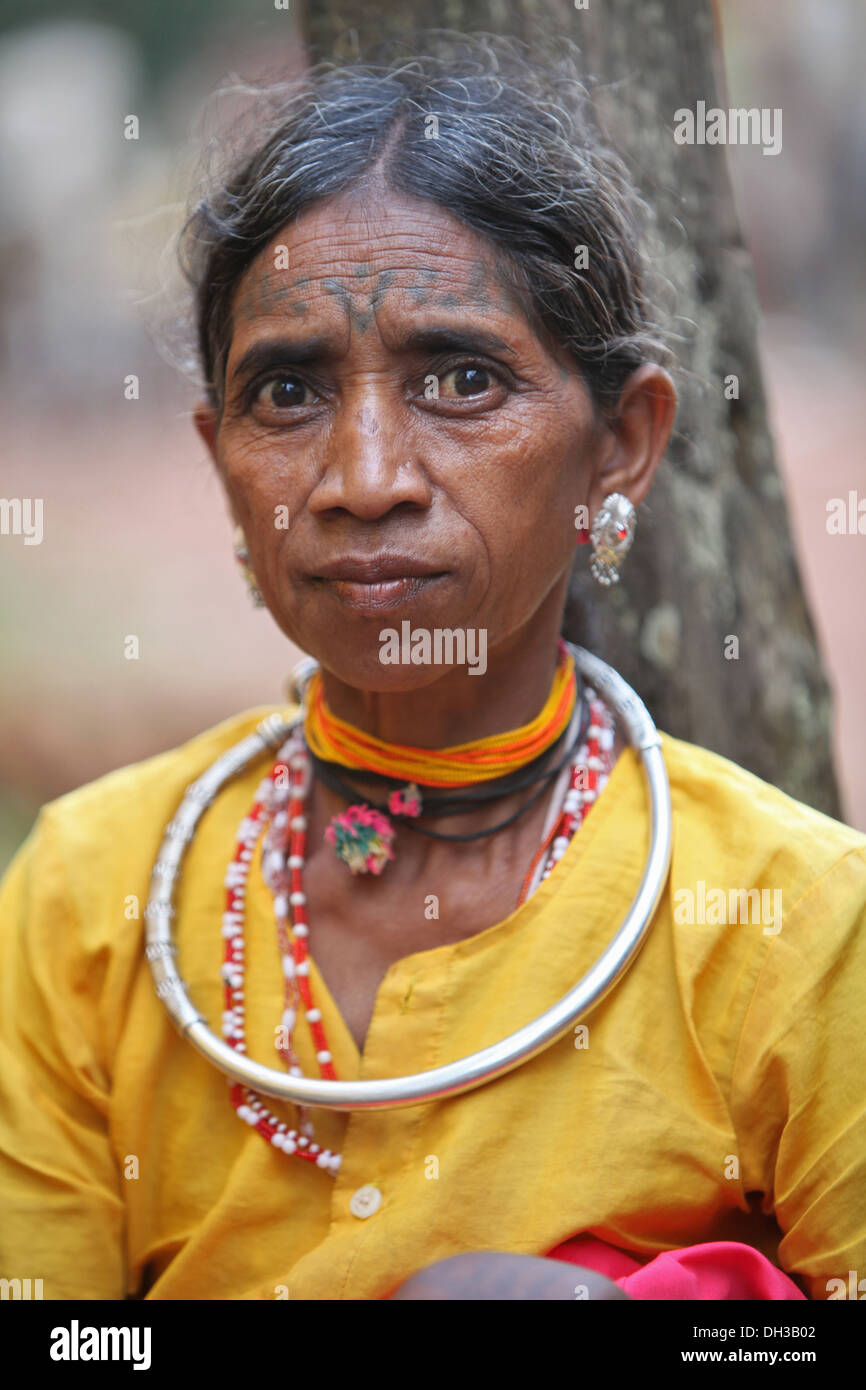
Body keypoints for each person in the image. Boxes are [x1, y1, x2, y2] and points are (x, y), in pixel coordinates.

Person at [1, 35, 864, 1302]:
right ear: (221, 461)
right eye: (287, 392)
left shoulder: (790, 922)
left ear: (620, 446)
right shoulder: (92, 900)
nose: (361, 479)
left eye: (459, 378)